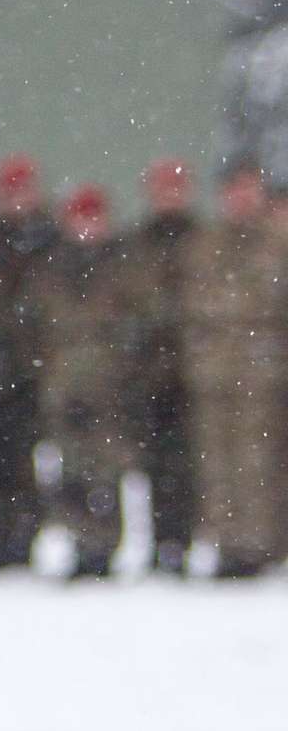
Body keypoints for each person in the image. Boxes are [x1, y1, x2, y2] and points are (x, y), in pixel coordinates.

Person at [31, 185, 139, 578]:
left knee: (106, 474)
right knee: (71, 472)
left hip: (108, 390)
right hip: (63, 389)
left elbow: (136, 328)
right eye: (80, 218)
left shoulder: (122, 268)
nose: (87, 227)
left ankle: (105, 546)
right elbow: (38, 328)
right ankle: (79, 542)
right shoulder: (54, 271)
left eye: (94, 218)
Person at [186, 159, 287, 578]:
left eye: (248, 189)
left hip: (264, 371)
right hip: (215, 373)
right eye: (233, 190)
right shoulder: (206, 244)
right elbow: (190, 309)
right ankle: (226, 541)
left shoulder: (277, 243)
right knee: (217, 463)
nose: (240, 198)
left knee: (258, 463)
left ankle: (258, 545)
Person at [0, 155, 57, 569]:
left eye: (23, 190)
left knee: (33, 462)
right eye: (10, 191)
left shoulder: (52, 241)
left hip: (42, 367)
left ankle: (26, 535)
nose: (17, 200)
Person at [128, 158, 199, 573]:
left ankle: (186, 541)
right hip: (150, 372)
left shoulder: (202, 241)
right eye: (161, 187)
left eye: (175, 186)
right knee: (153, 467)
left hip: (193, 372)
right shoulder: (137, 245)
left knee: (192, 466)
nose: (168, 195)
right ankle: (159, 541)